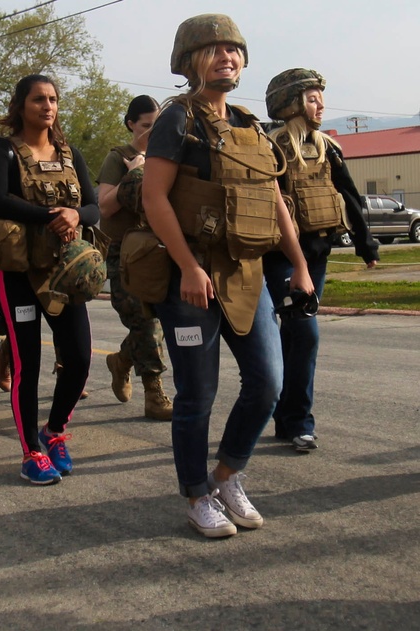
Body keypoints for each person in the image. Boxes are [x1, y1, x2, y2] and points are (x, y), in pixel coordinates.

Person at [140, 15, 313, 537]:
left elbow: (275, 201)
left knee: (268, 382)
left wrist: (301, 266)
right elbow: (154, 198)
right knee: (198, 392)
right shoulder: (178, 119)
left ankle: (226, 475)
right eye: (213, 49)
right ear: (190, 60)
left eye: (233, 49)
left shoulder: (248, 125)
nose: (226, 56)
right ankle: (196, 494)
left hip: (245, 272)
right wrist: (188, 267)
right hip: (188, 278)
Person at [0, 74, 100, 484]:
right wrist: (55, 216)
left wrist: (76, 215)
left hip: (63, 271)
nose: (47, 106)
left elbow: (93, 205)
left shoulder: (69, 153)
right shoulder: (2, 150)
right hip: (17, 272)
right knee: (27, 363)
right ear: (20, 105)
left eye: (52, 99)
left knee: (80, 357)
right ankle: (31, 450)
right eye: (37, 100)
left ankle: (55, 430)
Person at [263, 68, 379, 452]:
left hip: (318, 254)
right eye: (312, 98)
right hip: (281, 258)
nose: (321, 105)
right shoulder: (273, 146)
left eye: (320, 98)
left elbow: (349, 195)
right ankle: (300, 423)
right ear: (291, 103)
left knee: (294, 336)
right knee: (306, 334)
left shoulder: (327, 147)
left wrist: (366, 245)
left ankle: (283, 418)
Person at [95, 96, 173, 421]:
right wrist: (135, 174)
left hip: (160, 251)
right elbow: (104, 207)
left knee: (161, 322)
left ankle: (122, 360)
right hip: (125, 254)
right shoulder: (119, 158)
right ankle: (154, 394)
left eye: (158, 125)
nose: (152, 132)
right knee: (146, 322)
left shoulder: (167, 157)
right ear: (131, 124)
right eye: (146, 126)